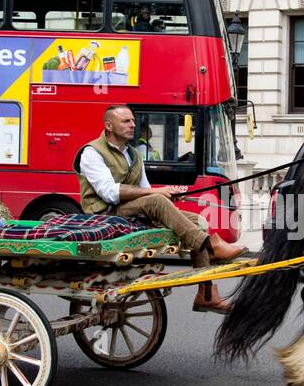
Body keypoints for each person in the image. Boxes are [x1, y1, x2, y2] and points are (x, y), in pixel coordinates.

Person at [77, 104, 244, 314]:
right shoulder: (91, 153)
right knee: (156, 201)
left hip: (128, 210)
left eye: (133, 120)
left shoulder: (133, 154)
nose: (133, 125)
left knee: (196, 221)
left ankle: (207, 294)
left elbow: (145, 189)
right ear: (109, 126)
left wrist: (167, 193)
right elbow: (109, 193)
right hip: (104, 214)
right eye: (126, 121)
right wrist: (157, 195)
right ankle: (210, 246)